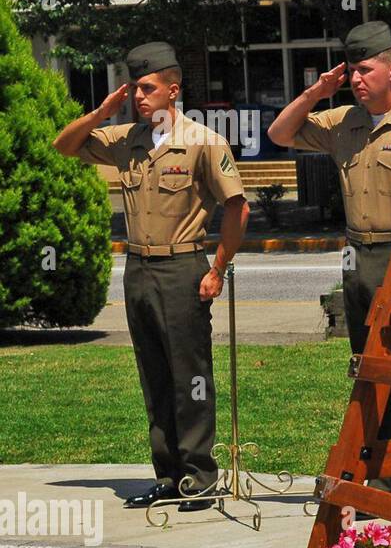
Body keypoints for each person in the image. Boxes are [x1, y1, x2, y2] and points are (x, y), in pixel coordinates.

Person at [268, 22, 391, 499]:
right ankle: (378, 474)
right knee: (369, 369)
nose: (356, 79)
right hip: (358, 256)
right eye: (351, 71)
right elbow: (280, 132)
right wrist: (318, 91)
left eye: (365, 69)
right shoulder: (344, 122)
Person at [54, 42, 249, 511]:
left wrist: (217, 269)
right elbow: (65, 145)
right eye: (134, 88)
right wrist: (102, 109)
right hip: (138, 269)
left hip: (184, 267)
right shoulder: (128, 140)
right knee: (155, 376)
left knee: (191, 376)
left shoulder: (204, 142)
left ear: (172, 90)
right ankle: (168, 474)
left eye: (148, 87)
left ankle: (199, 475)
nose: (139, 96)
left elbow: (237, 208)